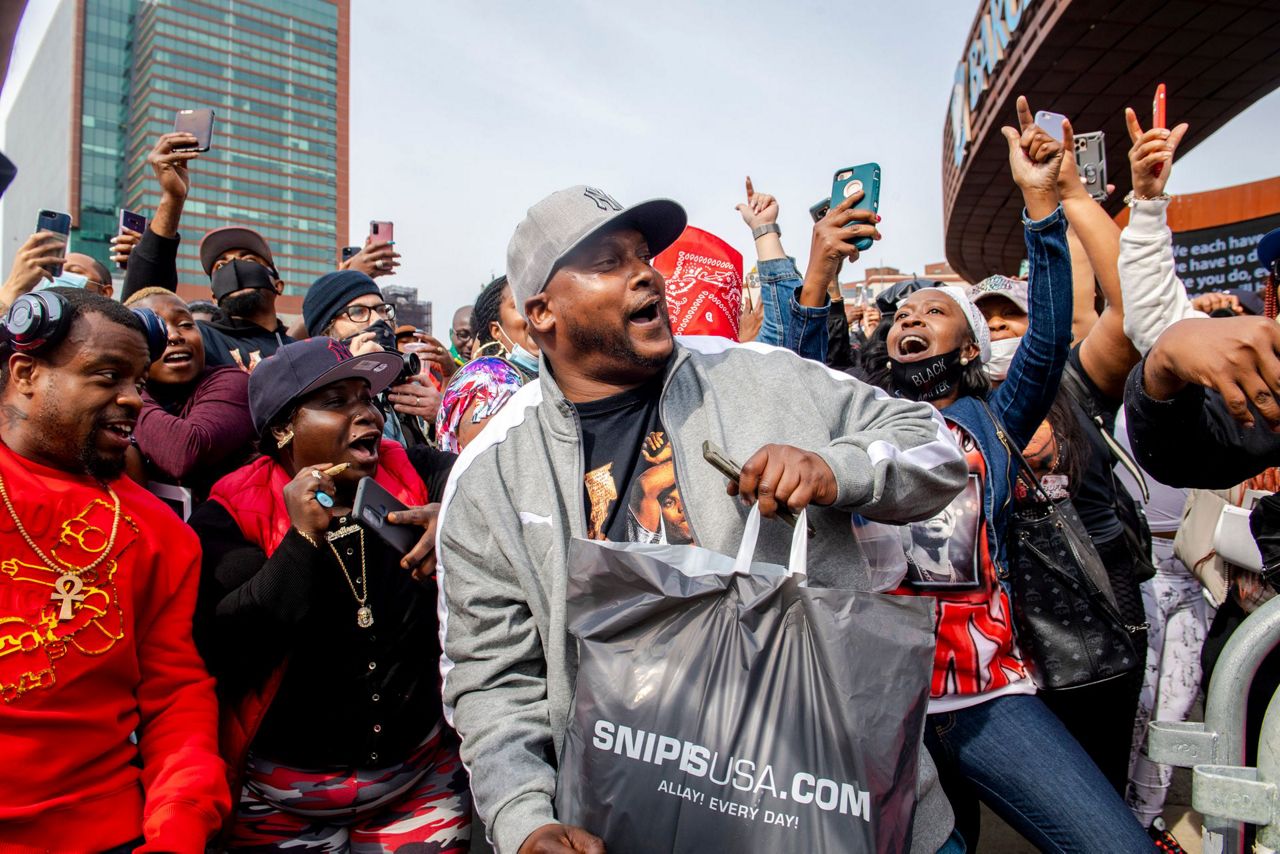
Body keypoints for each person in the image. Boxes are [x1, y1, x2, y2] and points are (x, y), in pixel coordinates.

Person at [438, 184, 971, 854]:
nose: (644, 273)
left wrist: (838, 470)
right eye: (608, 262)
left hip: (842, 804)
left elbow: (934, 445)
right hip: (641, 820)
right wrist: (524, 821)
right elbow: (490, 677)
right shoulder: (492, 475)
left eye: (642, 255)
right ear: (541, 311)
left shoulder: (764, 376)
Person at [879, 99, 1152, 851]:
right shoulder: (853, 411)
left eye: (934, 310)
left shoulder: (995, 416)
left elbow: (1052, 330)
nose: (911, 317)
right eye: (900, 313)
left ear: (970, 348)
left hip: (985, 694)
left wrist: (1042, 206)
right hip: (878, 700)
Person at [189, 337, 466, 850]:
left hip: (418, 788)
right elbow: (227, 651)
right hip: (282, 806)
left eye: (367, 399)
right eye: (337, 403)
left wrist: (456, 524)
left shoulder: (425, 478)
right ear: (282, 428)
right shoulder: (231, 515)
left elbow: (513, 507)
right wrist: (301, 542)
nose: (366, 415)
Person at [0, 287, 229, 850]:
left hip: (104, 832)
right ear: (26, 372)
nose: (131, 400)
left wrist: (179, 826)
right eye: (107, 376)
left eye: (138, 383)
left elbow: (176, 695)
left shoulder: (162, 533)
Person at [117, 132, 295, 370]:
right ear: (213, 295)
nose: (234, 268)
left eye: (249, 259)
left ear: (278, 284)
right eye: (220, 266)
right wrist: (173, 198)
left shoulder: (300, 349)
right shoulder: (200, 339)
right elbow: (146, 301)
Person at [123, 287, 255, 505]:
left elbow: (183, 453)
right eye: (154, 328)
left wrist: (128, 385)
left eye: (186, 324)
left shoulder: (232, 382)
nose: (175, 336)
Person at [303, 269, 454, 444]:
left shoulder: (405, 386)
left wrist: (440, 416)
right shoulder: (314, 401)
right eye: (358, 312)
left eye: (382, 310)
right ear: (326, 331)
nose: (378, 320)